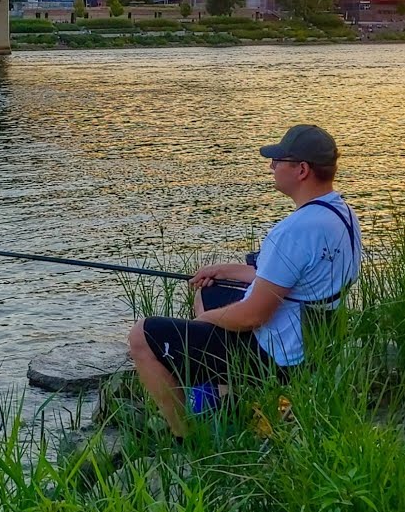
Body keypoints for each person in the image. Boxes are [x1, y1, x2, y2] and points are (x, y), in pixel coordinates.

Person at [128, 124, 362, 438]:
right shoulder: (341, 214)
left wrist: (205, 323)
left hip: (276, 358)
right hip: (312, 343)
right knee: (209, 291)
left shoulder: (294, 231)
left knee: (142, 335)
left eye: (278, 161)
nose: (272, 166)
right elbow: (290, 275)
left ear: (302, 170)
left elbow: (253, 315)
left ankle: (185, 435)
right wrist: (225, 270)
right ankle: (216, 400)